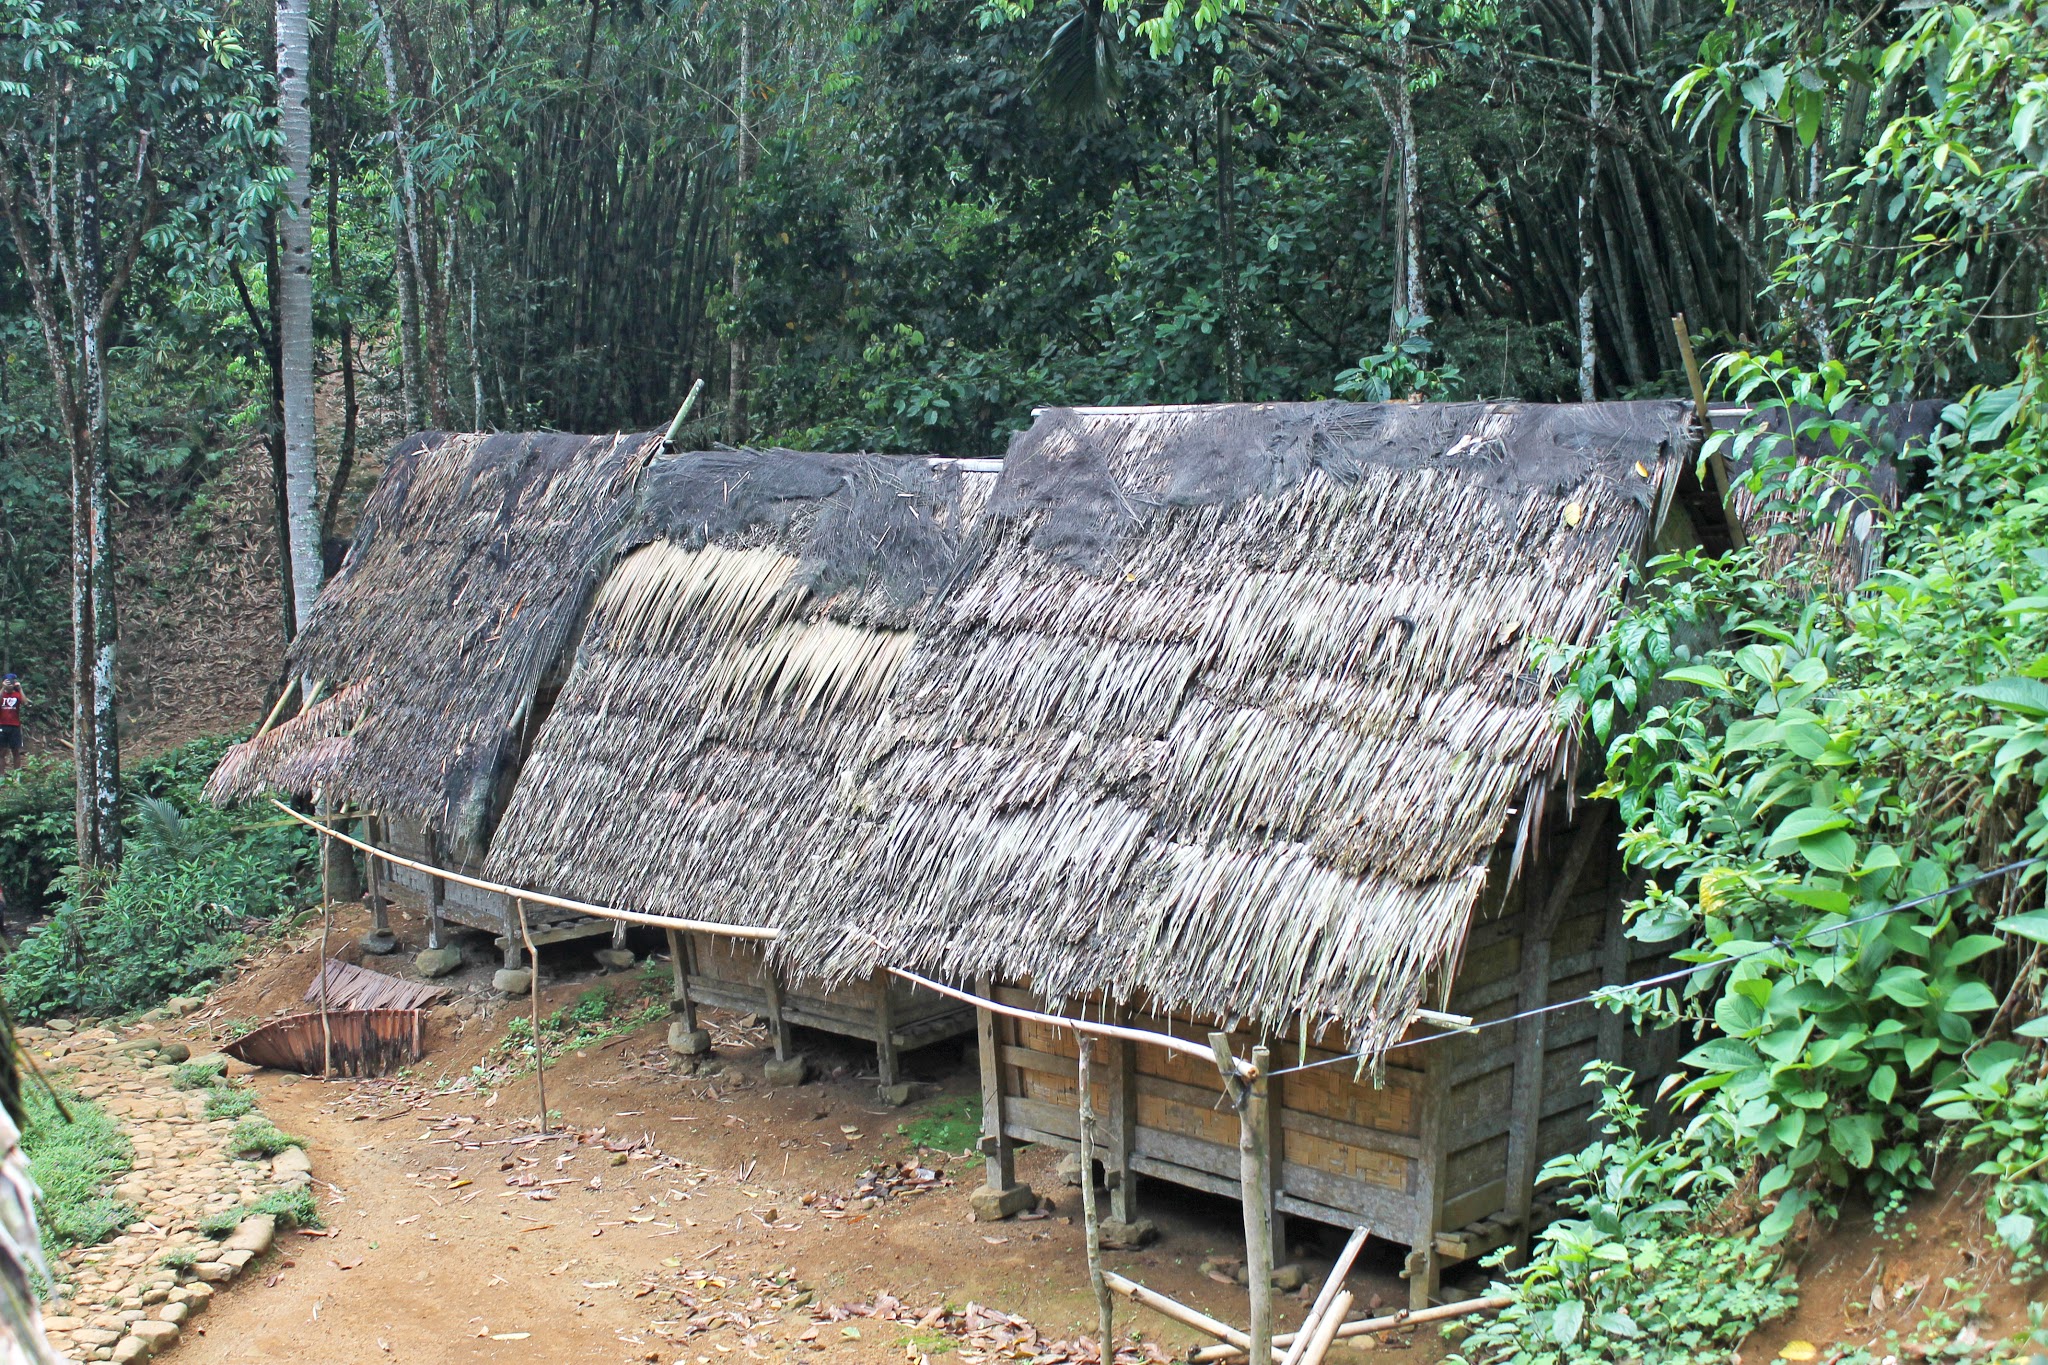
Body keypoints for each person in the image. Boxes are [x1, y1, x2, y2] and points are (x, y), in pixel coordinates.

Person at [0, 674, 22, 774]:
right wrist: (3, 688)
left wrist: (20, 689)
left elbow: (25, 702)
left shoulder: (17, 694)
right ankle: (1, 776)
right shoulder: (2, 694)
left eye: (12, 681)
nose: (10, 684)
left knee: (16, 751)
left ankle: (17, 776)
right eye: (8, 682)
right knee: (2, 752)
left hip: (15, 726)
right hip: (2, 725)